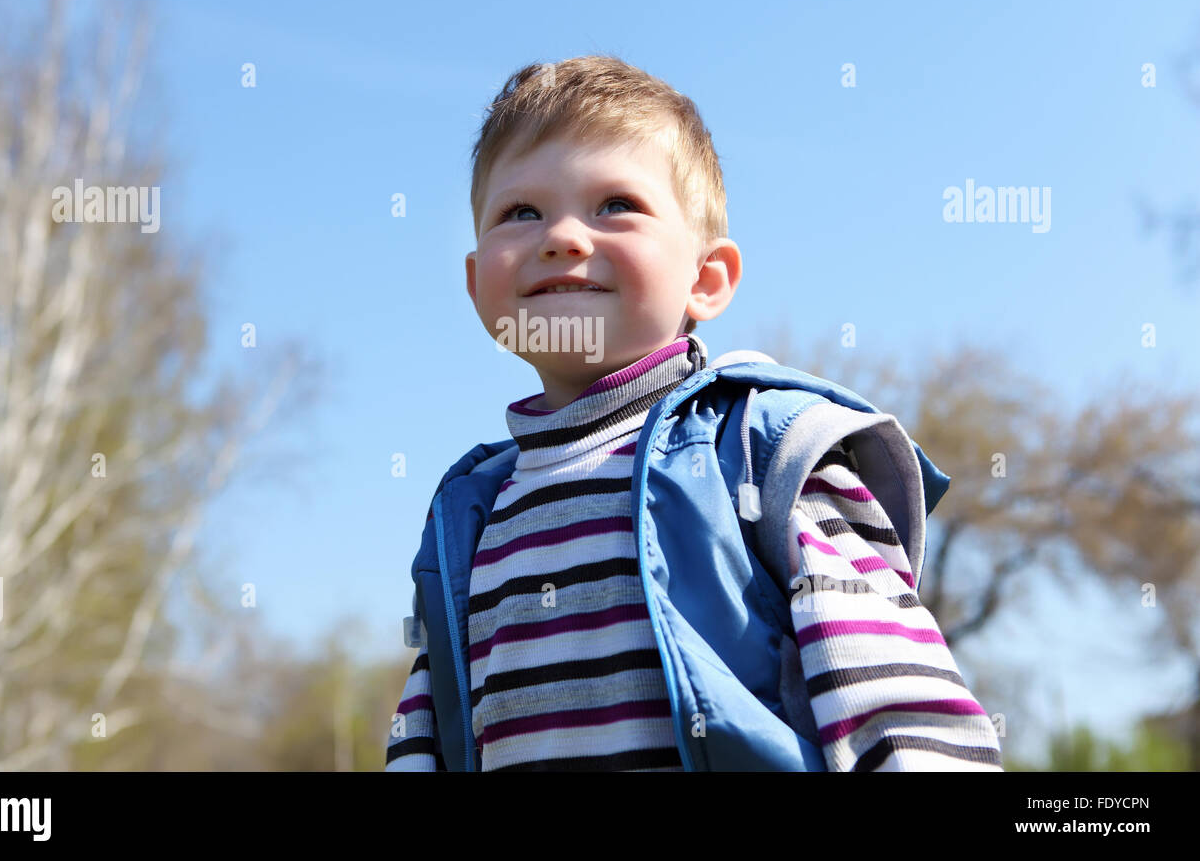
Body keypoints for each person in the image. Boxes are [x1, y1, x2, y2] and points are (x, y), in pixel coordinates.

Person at [385, 55, 1003, 771]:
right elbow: (427, 736)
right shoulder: (471, 517)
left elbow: (897, 711)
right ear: (474, 283)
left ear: (706, 280)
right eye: (520, 212)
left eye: (615, 205)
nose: (561, 236)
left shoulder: (762, 454)